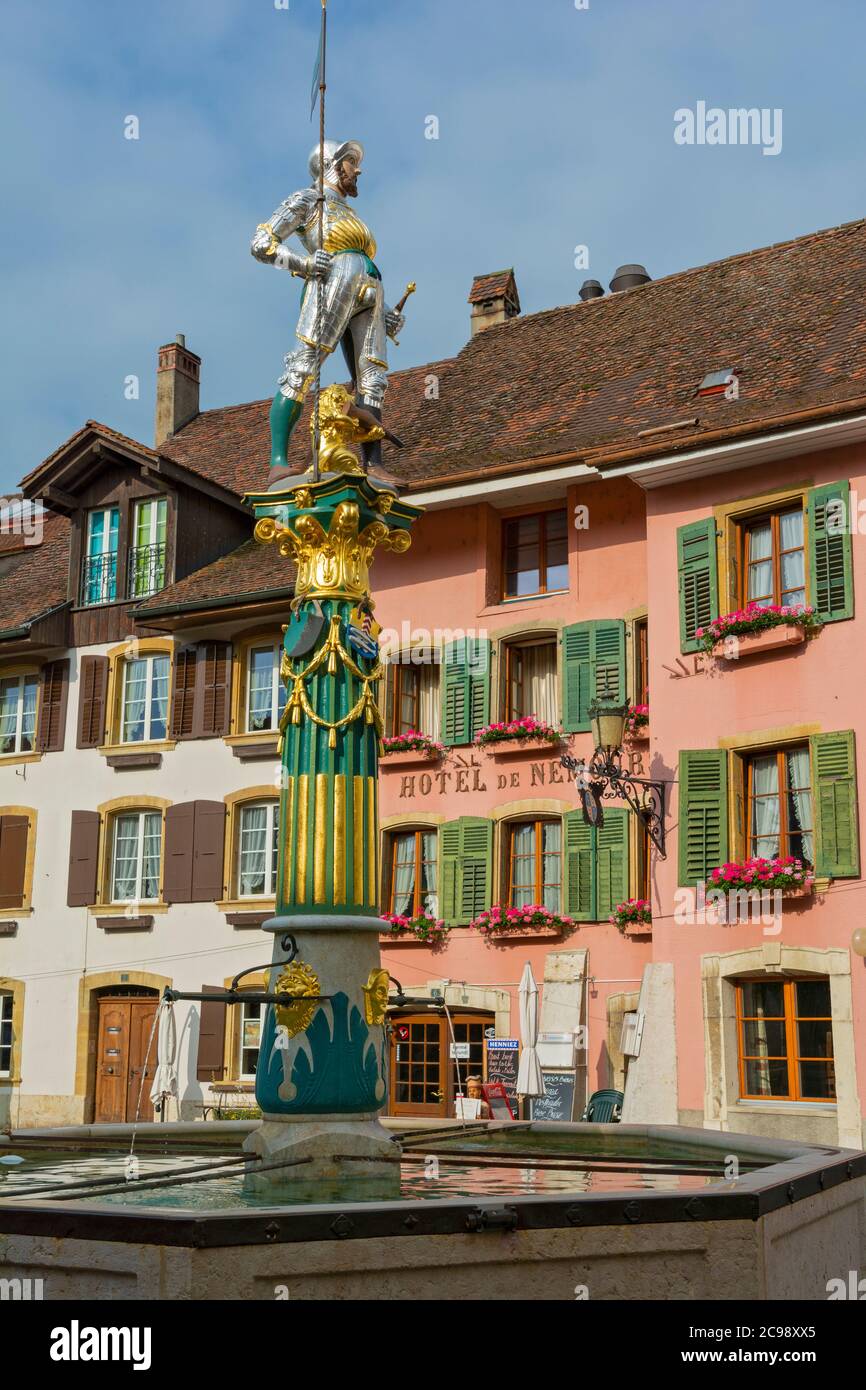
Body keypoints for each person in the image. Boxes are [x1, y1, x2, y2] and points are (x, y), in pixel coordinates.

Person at [250, 140, 405, 490]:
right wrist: (303, 264)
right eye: (352, 163)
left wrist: (386, 313)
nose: (358, 170)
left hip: (368, 289)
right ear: (333, 166)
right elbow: (261, 243)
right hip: (332, 282)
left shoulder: (349, 213)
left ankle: (374, 463)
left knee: (373, 380)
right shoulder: (308, 200)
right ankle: (279, 461)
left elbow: (360, 260)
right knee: (303, 367)